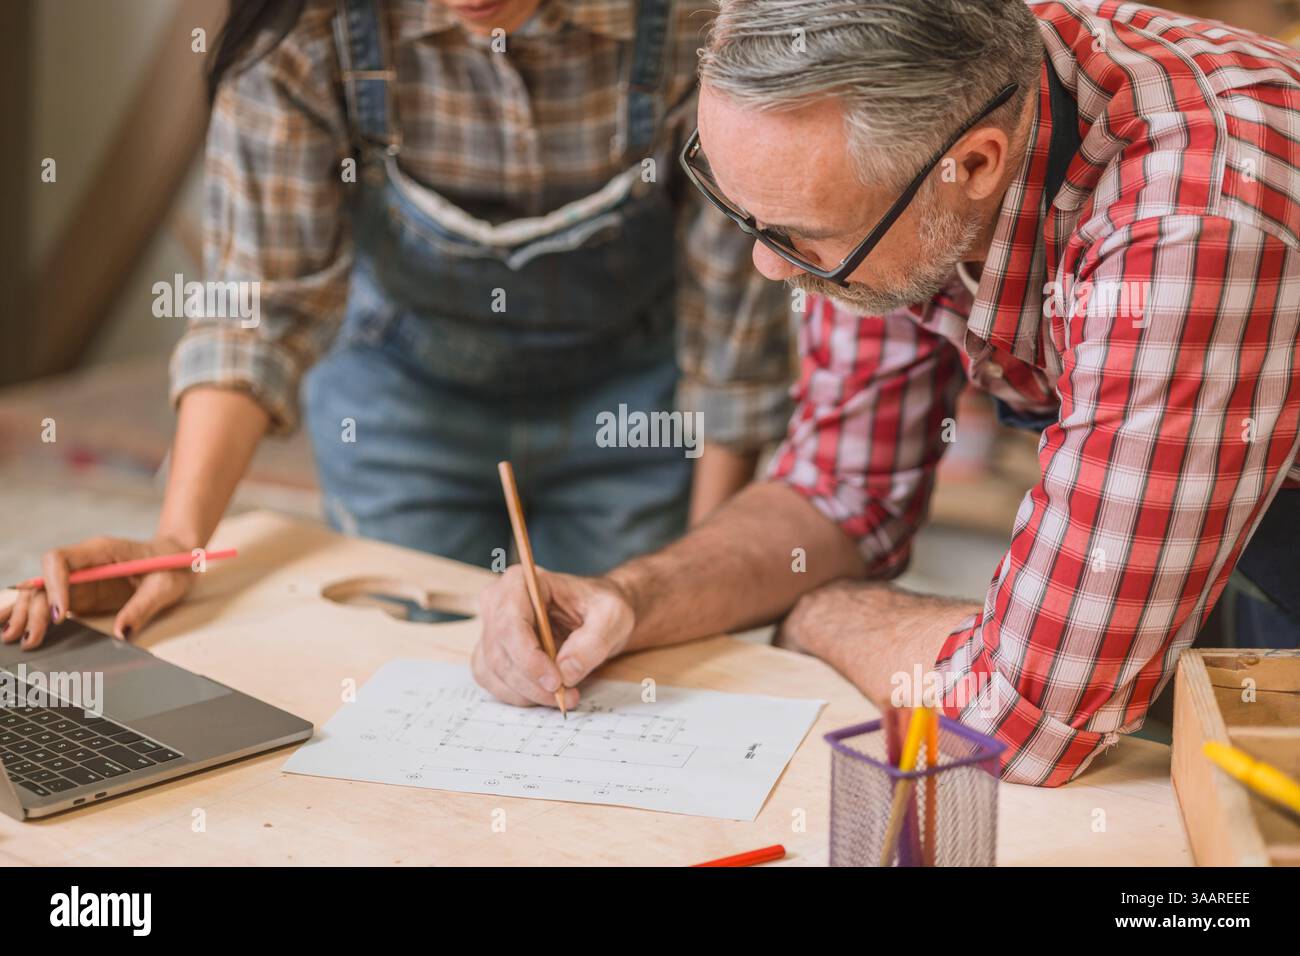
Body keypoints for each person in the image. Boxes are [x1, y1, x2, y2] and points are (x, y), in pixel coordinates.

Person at [473, 0, 1300, 786]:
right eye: (749, 217)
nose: (770, 265)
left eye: (804, 238)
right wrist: (629, 598)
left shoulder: (1193, 228)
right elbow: (838, 494)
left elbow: (1018, 716)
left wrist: (820, 612)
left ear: (973, 164)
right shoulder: (918, 130)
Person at [1, 0, 793, 649]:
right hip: (400, 410)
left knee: (618, 665)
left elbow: (734, 338)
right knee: (413, 671)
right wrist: (176, 539)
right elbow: (254, 311)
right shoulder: (300, 30)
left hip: (633, 417)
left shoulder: (700, 21)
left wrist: (695, 594)